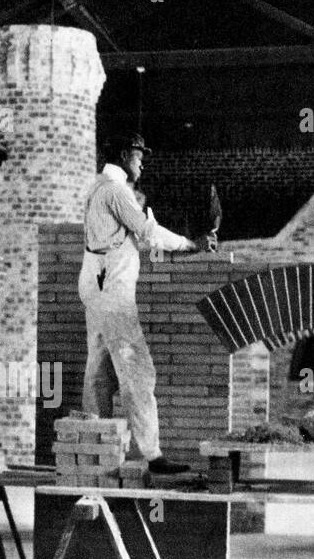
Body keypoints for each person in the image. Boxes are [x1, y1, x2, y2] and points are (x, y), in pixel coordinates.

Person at [81, 133, 216, 476]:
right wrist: (190, 244)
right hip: (112, 293)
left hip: (97, 286)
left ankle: (90, 449)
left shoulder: (99, 188)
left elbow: (122, 240)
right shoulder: (115, 191)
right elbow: (147, 232)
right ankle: (152, 455)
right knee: (138, 371)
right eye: (139, 156)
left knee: (98, 370)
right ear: (125, 154)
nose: (142, 162)